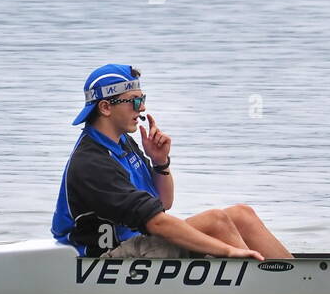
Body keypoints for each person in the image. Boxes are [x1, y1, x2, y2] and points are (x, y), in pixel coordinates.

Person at [52, 64, 292, 261]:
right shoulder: (92, 163)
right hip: (104, 257)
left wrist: (160, 162)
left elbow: (163, 203)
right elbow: (156, 222)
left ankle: (297, 279)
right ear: (105, 107)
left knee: (242, 214)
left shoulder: (123, 142)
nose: (142, 107)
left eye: (142, 99)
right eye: (134, 101)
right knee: (216, 222)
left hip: (140, 243)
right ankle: (265, 285)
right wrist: (228, 250)